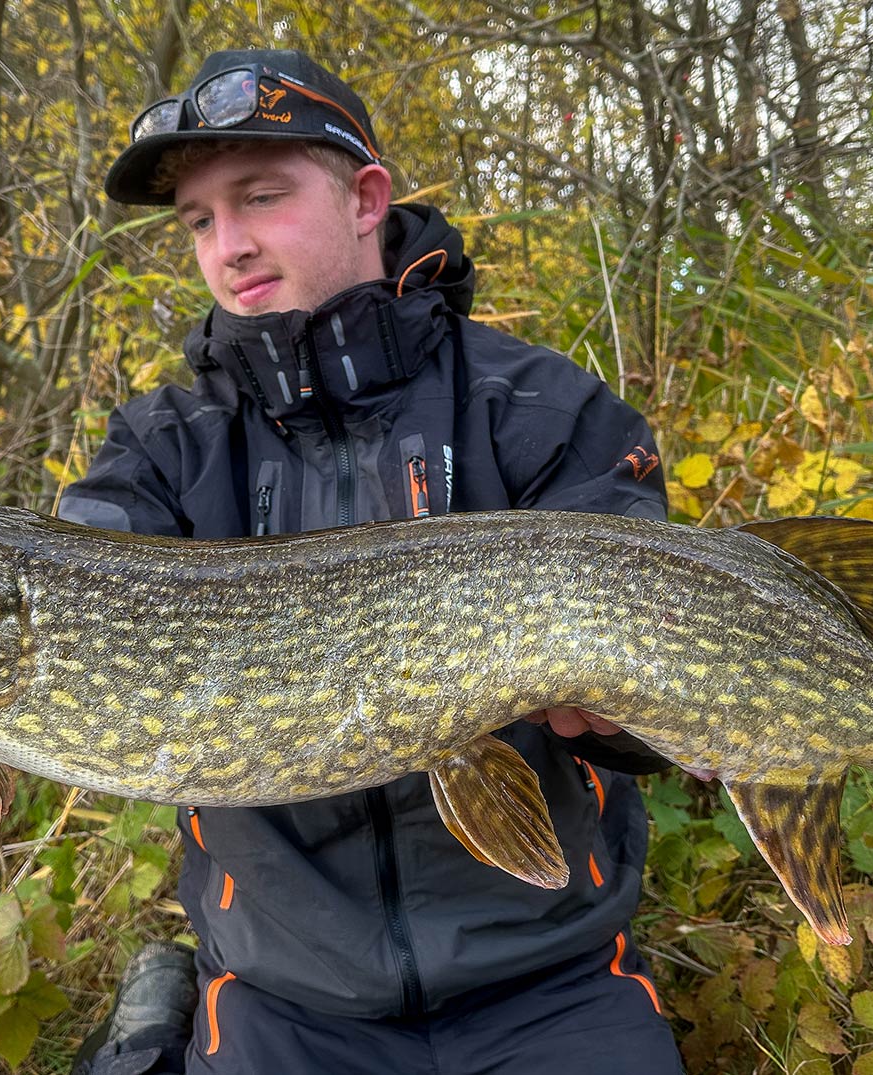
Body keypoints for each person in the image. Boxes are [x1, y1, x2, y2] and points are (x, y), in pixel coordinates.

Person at [61, 48, 681, 1075]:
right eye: (201, 221)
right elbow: (64, 589)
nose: (231, 244)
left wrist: (634, 713)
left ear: (366, 197)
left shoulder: (537, 406)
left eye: (261, 196)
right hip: (284, 997)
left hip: (551, 980)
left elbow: (654, 690)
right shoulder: (163, 445)